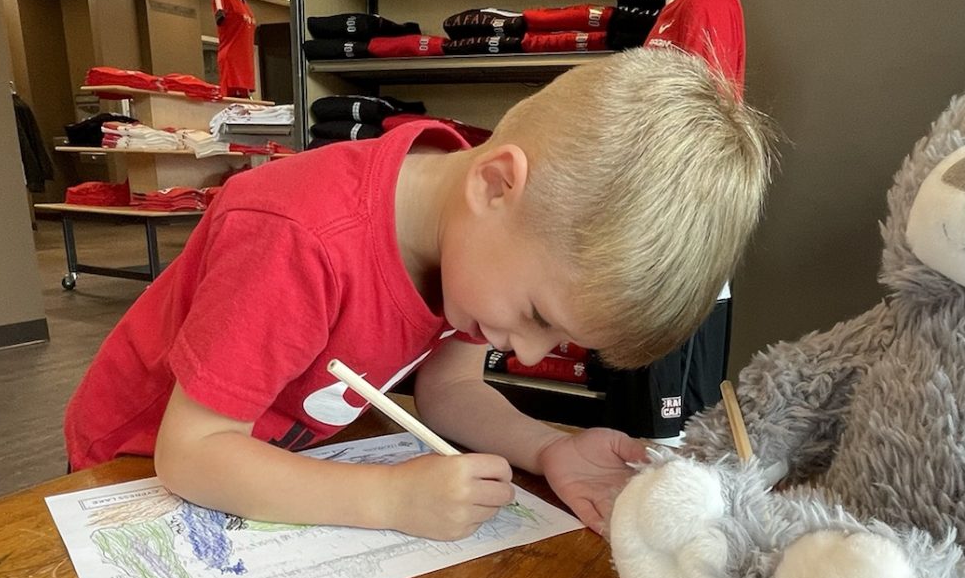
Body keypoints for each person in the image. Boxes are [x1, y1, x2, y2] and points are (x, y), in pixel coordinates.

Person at [62, 46, 774, 541]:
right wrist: (388, 497)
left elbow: (451, 390)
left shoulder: (474, 242)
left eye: (557, 340)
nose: (528, 354)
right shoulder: (299, 236)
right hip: (131, 472)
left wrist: (546, 448)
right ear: (495, 185)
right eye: (536, 316)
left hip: (265, 463)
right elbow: (191, 452)